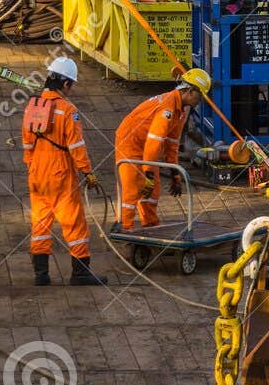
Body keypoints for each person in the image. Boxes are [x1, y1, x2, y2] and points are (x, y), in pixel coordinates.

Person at [22, 55, 107, 286]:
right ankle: (80, 274)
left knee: (40, 223)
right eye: (72, 84)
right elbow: (77, 146)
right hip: (60, 174)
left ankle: (41, 275)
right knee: (74, 224)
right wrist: (88, 172)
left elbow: (27, 144)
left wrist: (33, 166)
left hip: (37, 173)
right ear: (66, 83)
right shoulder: (68, 111)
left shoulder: (34, 106)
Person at [114, 68, 212, 230]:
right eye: (200, 95)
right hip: (130, 142)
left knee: (152, 191)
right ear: (189, 91)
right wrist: (148, 174)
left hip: (146, 144)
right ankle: (124, 231)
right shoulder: (167, 109)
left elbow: (171, 144)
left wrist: (175, 174)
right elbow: (154, 142)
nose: (200, 100)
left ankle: (151, 226)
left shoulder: (180, 110)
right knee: (132, 190)